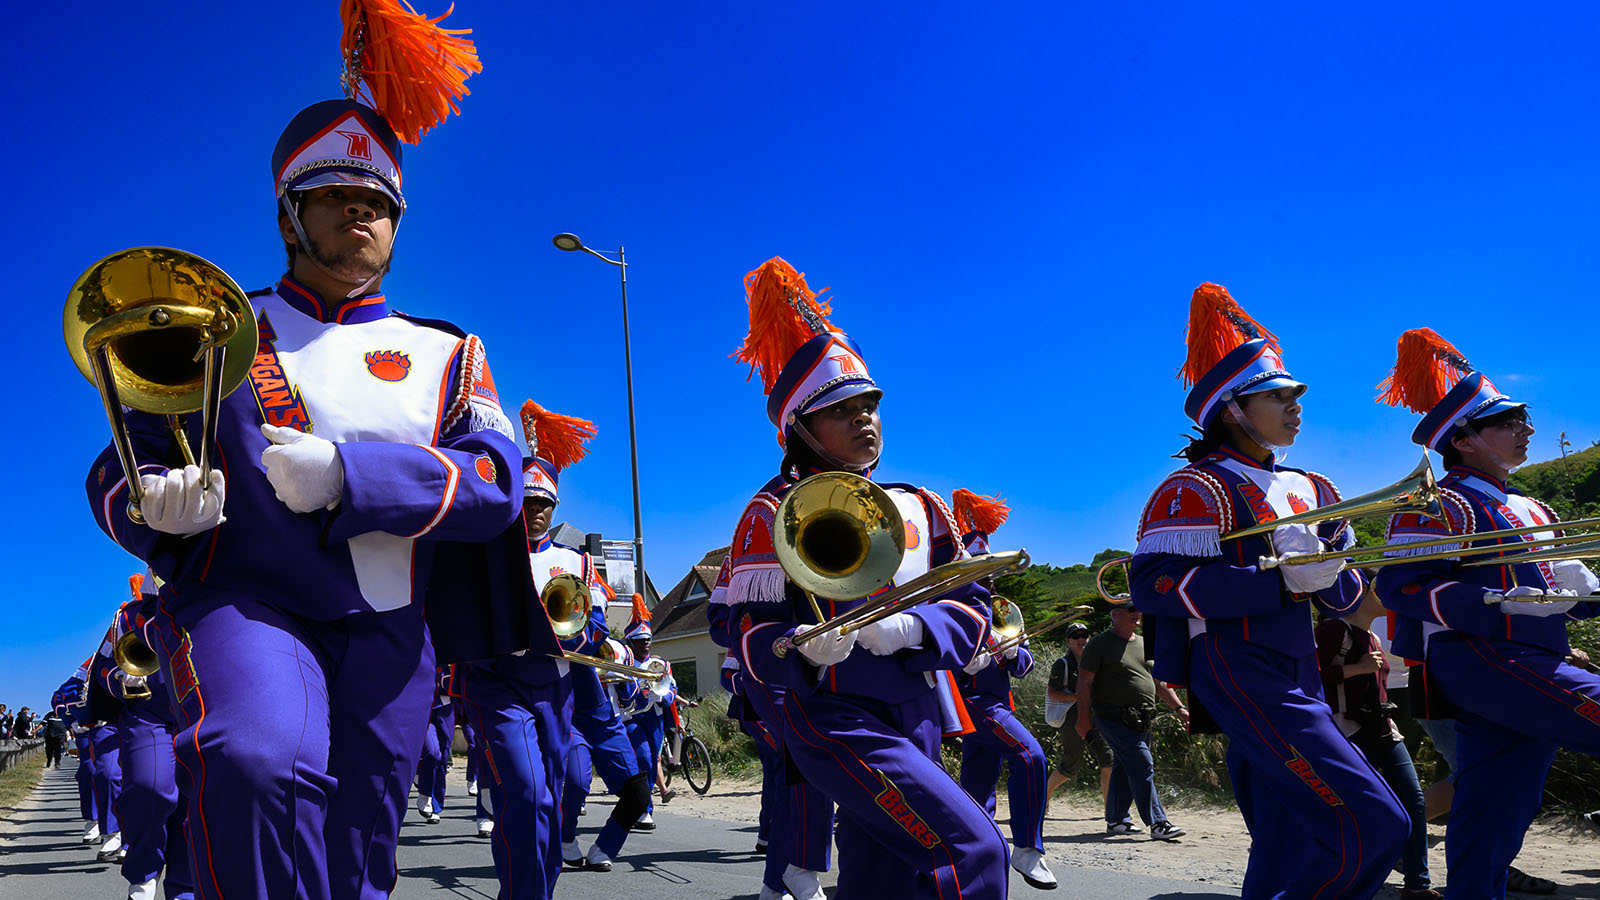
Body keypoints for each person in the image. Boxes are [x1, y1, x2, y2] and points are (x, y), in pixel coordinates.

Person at [78, 12, 544, 897]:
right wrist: (151, 501)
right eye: (335, 196)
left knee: (357, 860)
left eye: (378, 203)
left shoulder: (452, 352)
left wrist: (352, 476)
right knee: (255, 757)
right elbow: (116, 462)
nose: (360, 214)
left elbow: (493, 481)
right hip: (246, 605)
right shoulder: (218, 328)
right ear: (291, 213)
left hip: (389, 632)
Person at [712, 257, 1010, 900]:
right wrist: (800, 647)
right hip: (832, 711)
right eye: (841, 408)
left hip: (917, 709)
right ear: (799, 427)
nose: (864, 417)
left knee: (883, 879)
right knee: (974, 848)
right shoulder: (769, 512)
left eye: (869, 403)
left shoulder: (921, 506)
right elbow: (746, 635)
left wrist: (912, 626)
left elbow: (974, 607)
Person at [1130, 283, 1408, 900]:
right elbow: (1151, 584)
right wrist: (1275, 583)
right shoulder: (1195, 488)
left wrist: (1364, 578)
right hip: (1234, 660)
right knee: (1374, 822)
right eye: (1277, 396)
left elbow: (1344, 595)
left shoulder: (1317, 486)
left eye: (1295, 395)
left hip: (1300, 663)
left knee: (1284, 834)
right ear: (1232, 408)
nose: (1295, 406)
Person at [1373, 328, 1600, 900]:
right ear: (1466, 440)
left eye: (1524, 419)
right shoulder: (1438, 502)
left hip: (1531, 658)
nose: (1526, 429)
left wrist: (1569, 610)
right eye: (1509, 422)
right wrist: (1489, 603)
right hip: (1479, 656)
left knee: (1498, 806)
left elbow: (1558, 590)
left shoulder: (1531, 504)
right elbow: (1399, 584)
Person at [455, 399, 607, 897]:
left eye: (545, 504)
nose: (536, 511)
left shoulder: (577, 562)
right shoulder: (484, 556)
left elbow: (597, 628)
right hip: (497, 686)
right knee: (524, 793)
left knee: (553, 802)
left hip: (556, 691)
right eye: (529, 501)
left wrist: (609, 648)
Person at [951, 488, 1057, 889]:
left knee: (977, 798)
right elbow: (943, 659)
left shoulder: (1005, 609)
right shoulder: (952, 607)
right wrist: (976, 656)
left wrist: (1011, 651)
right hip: (972, 703)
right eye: (980, 570)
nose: (988, 577)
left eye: (990, 571)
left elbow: (1025, 667)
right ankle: (1028, 850)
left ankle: (971, 873)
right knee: (1030, 756)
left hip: (998, 703)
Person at [1315, 576, 1439, 900]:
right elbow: (1306, 680)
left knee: (1413, 801)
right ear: (1357, 595)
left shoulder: (1372, 637)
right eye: (1375, 589)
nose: (1383, 595)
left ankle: (1417, 885)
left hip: (1382, 730)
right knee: (1366, 811)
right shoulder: (1332, 630)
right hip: (1347, 735)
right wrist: (1354, 670)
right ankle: (1347, 881)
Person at [99, 573, 195, 900]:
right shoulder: (129, 615)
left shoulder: (208, 600)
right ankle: (143, 870)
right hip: (149, 714)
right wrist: (121, 679)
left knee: (193, 805)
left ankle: (185, 888)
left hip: (200, 714)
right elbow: (102, 669)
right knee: (149, 788)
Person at [1074, 605, 1187, 840]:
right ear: (1115, 614)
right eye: (1129, 609)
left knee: (1124, 767)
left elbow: (1159, 683)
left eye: (1138, 609)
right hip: (1111, 716)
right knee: (1142, 762)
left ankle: (1116, 820)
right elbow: (1084, 682)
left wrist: (1179, 709)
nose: (1136, 614)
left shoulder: (1146, 643)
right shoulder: (1099, 644)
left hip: (1142, 718)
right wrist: (1083, 717)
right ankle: (1158, 823)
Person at [618, 603, 679, 831]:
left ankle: (643, 807)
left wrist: (662, 696)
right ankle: (644, 809)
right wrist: (641, 693)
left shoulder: (661, 664)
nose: (645, 644)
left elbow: (672, 689)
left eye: (647, 640)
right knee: (642, 758)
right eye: (640, 640)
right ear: (630, 642)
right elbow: (621, 694)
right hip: (633, 718)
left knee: (653, 759)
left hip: (655, 718)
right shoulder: (625, 664)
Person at [1045, 621, 1113, 802]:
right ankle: (1044, 798)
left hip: (1096, 715)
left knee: (1109, 760)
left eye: (1084, 635)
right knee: (1071, 764)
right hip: (1073, 717)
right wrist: (1077, 697)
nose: (1081, 639)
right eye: (1076, 636)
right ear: (1068, 640)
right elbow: (1053, 693)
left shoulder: (1095, 661)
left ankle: (1111, 811)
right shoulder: (1063, 664)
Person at [415, 667, 455, 825]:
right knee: (433, 752)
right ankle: (425, 795)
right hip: (421, 702)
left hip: (445, 703)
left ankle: (436, 803)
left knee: (444, 754)